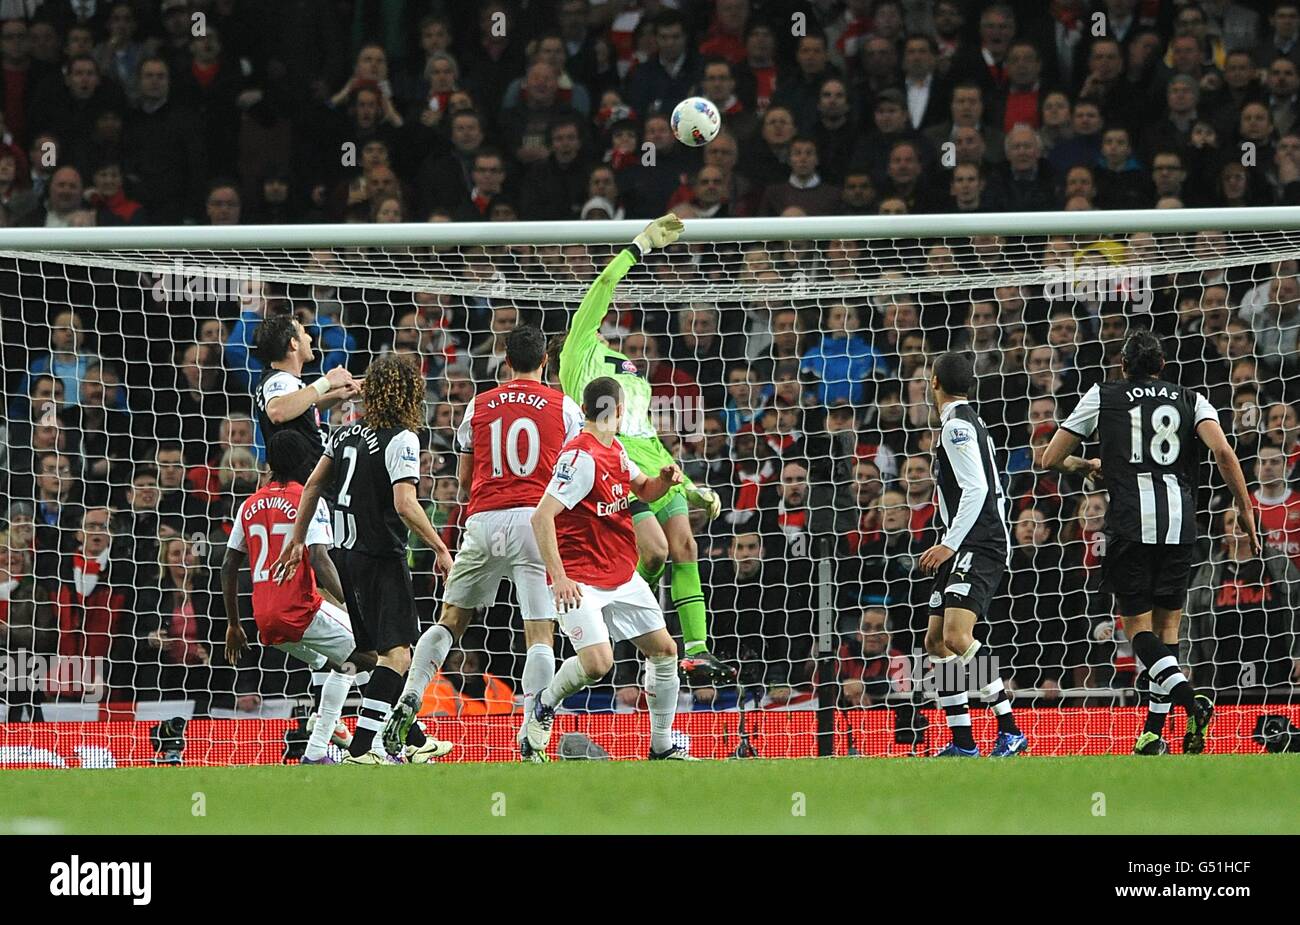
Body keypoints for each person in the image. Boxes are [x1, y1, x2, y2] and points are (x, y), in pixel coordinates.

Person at [1043, 330, 1261, 755]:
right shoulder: (1190, 398)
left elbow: (1050, 458)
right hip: (1181, 526)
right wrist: (1247, 508)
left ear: (1122, 366)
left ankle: (1189, 700)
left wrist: (1087, 464)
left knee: (1139, 631)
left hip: (1131, 526)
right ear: (1163, 366)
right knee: (1168, 632)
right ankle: (1154, 735)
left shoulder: (1103, 394)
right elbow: (1224, 454)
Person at [550, 213, 734, 686]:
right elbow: (602, 286)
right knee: (653, 553)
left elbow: (648, 434)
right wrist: (639, 246)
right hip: (617, 468)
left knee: (684, 545)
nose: (601, 318)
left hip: (655, 464)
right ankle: (634, 626)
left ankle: (697, 649)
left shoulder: (626, 368)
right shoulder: (578, 356)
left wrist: (692, 488)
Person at [387, 324, 583, 761]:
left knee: (451, 620)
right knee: (539, 633)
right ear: (545, 362)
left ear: (506, 361)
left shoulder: (478, 405)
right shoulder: (566, 408)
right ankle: (533, 731)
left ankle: (411, 695)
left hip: (484, 518)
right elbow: (575, 473)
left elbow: (463, 479)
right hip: (535, 521)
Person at [275, 355, 455, 765]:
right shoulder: (402, 438)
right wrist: (441, 548)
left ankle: (410, 738)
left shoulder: (343, 435)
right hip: (381, 557)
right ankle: (364, 749)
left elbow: (313, 486)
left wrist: (296, 540)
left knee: (375, 654)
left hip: (346, 560)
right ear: (410, 394)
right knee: (399, 655)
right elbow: (405, 504)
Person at [524, 376, 692, 760]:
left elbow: (644, 489)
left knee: (665, 652)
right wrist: (561, 577)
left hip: (620, 574)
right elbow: (541, 517)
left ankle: (662, 745)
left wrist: (663, 482)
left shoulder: (614, 449)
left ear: (586, 410)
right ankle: (545, 705)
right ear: (618, 411)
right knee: (598, 664)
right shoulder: (580, 458)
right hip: (580, 579)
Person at [222, 431, 379, 765]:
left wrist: (234, 625)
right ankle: (386, 743)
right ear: (304, 462)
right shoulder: (307, 499)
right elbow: (320, 560)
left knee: (344, 664)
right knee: (378, 654)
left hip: (264, 619)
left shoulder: (249, 505)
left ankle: (317, 749)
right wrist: (355, 606)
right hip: (301, 609)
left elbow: (228, 565)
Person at [918, 351, 1025, 758]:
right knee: (935, 641)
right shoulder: (969, 421)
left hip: (977, 541)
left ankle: (1010, 728)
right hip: (965, 540)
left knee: (957, 637)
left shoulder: (957, 427)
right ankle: (963, 742)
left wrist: (949, 542)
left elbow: (977, 488)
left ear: (934, 381)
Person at [252, 313, 359, 456]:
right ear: (293, 343)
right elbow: (277, 411)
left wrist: (339, 395)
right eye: (304, 333)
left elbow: (301, 410)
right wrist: (326, 381)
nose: (309, 338)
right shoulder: (279, 380)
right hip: (301, 474)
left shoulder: (280, 380)